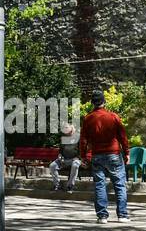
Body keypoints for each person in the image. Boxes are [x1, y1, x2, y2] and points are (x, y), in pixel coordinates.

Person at [78, 88, 130, 224]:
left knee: (99, 185)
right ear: (104, 101)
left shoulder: (88, 118)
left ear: (92, 103)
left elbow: (83, 139)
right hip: (113, 154)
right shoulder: (113, 116)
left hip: (97, 155)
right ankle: (122, 215)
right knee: (119, 184)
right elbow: (123, 136)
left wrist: (83, 156)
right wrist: (127, 152)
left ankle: (102, 216)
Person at [49, 123, 81, 192]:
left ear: (72, 128)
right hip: (64, 159)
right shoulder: (64, 138)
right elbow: (61, 150)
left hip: (75, 159)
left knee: (75, 165)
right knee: (52, 166)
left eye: (67, 128)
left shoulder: (78, 137)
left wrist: (78, 157)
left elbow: (82, 150)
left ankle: (70, 186)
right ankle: (57, 185)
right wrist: (60, 156)